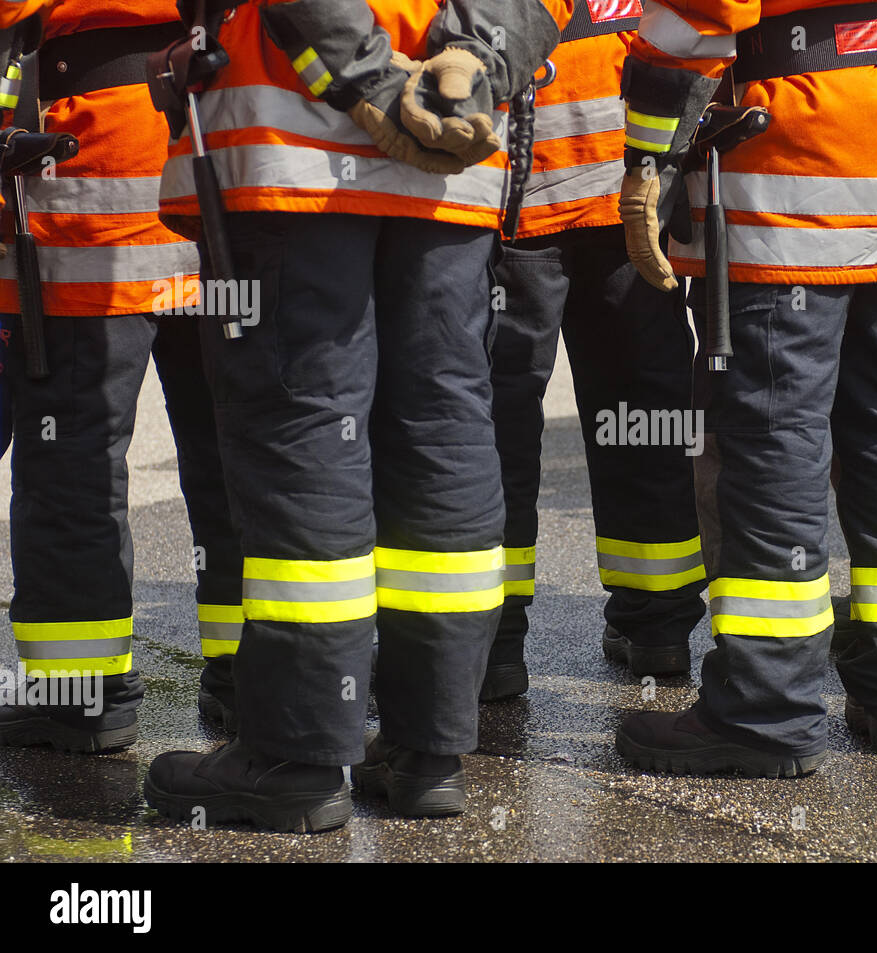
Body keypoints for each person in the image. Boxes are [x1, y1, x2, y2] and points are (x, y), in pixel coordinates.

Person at [142, 0, 569, 833]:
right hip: (452, 167)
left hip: (299, 155)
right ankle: (428, 750)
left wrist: (371, 80)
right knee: (441, 428)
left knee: (305, 430)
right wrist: (471, 66)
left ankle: (295, 756)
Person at [613, 0, 877, 775]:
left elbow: (692, 20)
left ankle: (766, 708)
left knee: (772, 443)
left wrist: (647, 157)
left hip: (786, 173)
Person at [0, 0, 242, 754]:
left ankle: (84, 693)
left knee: (73, 451)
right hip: (212, 167)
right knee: (231, 452)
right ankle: (253, 678)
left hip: (87, 185)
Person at [483, 0, 705, 702]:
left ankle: (491, 645)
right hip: (630, 184)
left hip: (517, 195)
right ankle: (658, 626)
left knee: (495, 426)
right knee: (644, 407)